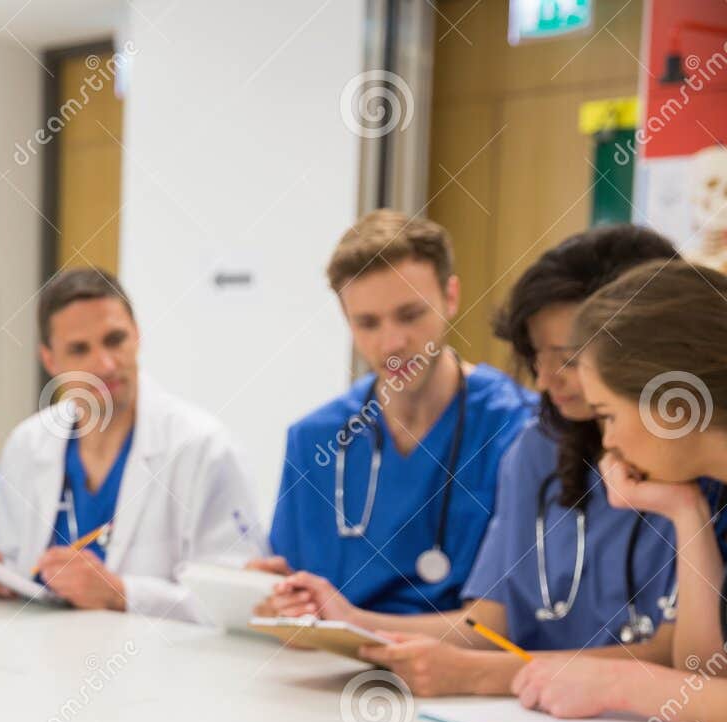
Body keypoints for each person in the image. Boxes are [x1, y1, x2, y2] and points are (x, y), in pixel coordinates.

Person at [270, 226, 693, 696]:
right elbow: (488, 625)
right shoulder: (540, 449)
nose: (548, 379)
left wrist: (481, 675)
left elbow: (686, 663)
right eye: (538, 357)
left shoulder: (685, 469)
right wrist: (348, 621)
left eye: (569, 358)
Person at [255, 211, 535, 615]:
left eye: (411, 315)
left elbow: (500, 628)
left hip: (466, 677)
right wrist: (267, 599)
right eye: (367, 323)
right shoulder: (315, 439)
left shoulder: (519, 429)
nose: (391, 343)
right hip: (324, 672)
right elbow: (291, 592)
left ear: (451, 297)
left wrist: (356, 622)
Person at [0, 268, 263, 618]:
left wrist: (123, 594)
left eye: (115, 340)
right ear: (51, 361)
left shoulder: (204, 448)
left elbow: (239, 602)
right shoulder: (27, 445)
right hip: (39, 658)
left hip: (159, 667)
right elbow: (11, 563)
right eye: (79, 350)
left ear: (137, 335)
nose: (104, 364)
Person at [510, 259, 727, 722]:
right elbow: (703, 676)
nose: (607, 442)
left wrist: (619, 684)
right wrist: (685, 511)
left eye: (607, 414)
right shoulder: (713, 497)